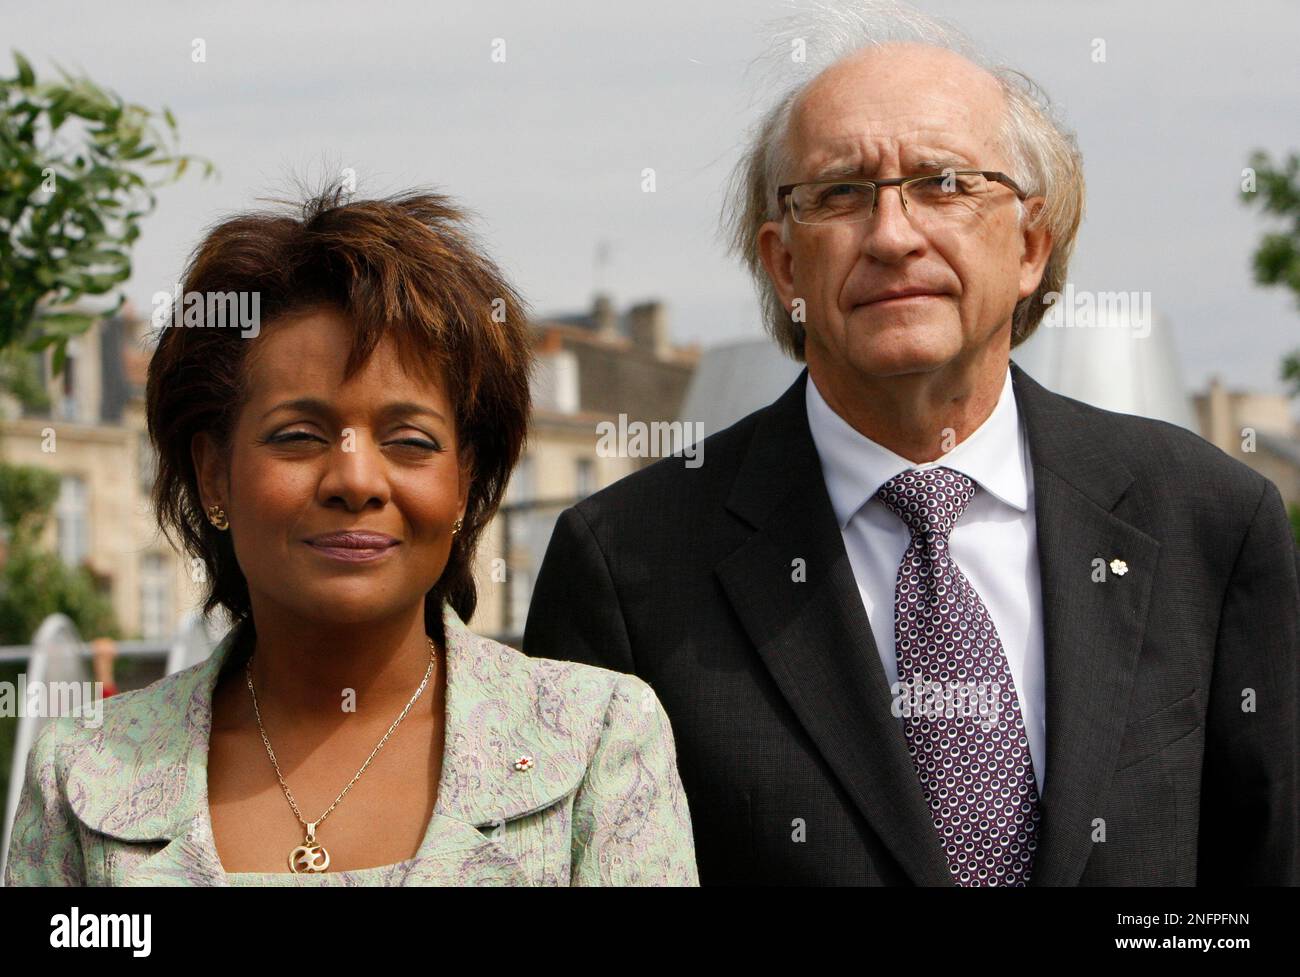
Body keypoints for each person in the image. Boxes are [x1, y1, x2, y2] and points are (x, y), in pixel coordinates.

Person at [524, 3, 1298, 885]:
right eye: (841, 193)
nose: (893, 235)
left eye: (945, 183)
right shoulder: (629, 565)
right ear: (784, 265)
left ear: (1032, 244)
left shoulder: (1208, 520)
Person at [5, 185, 697, 886]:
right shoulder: (85, 774)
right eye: (298, 436)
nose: (356, 478)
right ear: (214, 476)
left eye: (409, 439)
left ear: (464, 481)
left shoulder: (595, 744)